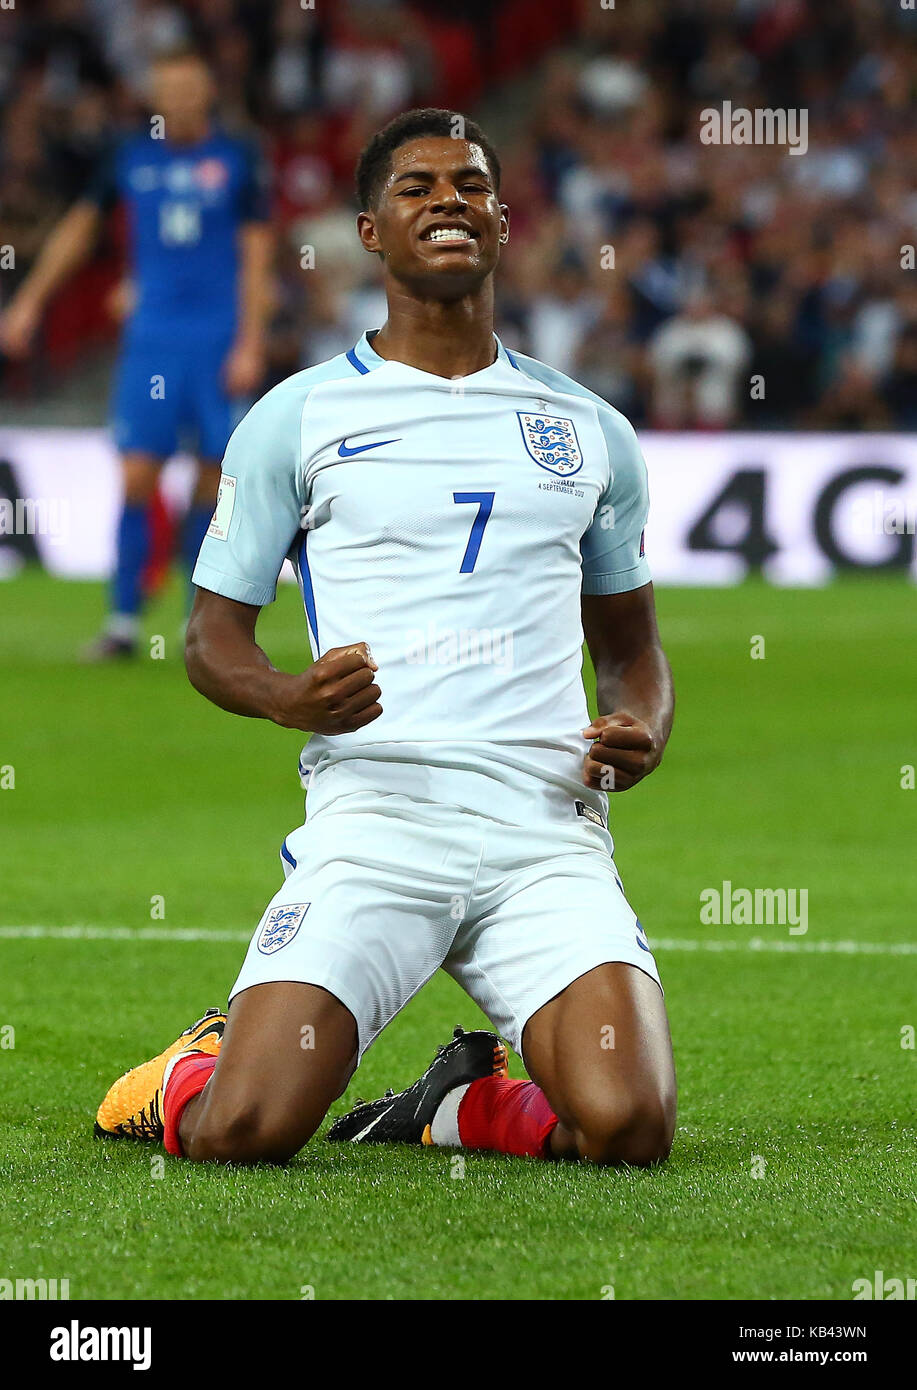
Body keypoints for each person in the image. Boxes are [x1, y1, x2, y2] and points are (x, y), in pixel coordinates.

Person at [95, 107, 676, 1168]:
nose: (447, 201)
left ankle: (456, 1103)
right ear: (369, 230)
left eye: (470, 186)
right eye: (415, 187)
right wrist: (285, 697)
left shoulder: (590, 429)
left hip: (543, 831)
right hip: (376, 824)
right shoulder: (294, 418)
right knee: (246, 1131)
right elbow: (209, 639)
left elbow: (632, 646)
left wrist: (641, 723)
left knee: (630, 1127)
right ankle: (189, 1069)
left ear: (501, 221)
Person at [0, 45, 272, 658]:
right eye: (165, 91)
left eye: (187, 89)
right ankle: (123, 622)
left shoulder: (237, 157)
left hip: (217, 337)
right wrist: (30, 301)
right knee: (135, 476)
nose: (175, 102)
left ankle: (194, 625)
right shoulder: (130, 155)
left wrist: (251, 339)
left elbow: (257, 251)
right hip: (151, 339)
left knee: (213, 481)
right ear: (152, 96)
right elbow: (80, 228)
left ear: (206, 93)